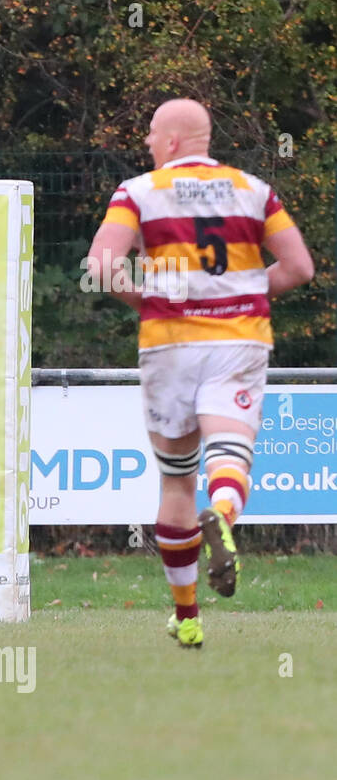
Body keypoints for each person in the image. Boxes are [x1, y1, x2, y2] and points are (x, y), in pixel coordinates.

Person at [86, 98, 313, 648]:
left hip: (170, 342)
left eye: (149, 135)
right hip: (237, 340)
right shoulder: (254, 189)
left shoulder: (137, 192)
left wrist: (146, 300)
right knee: (230, 452)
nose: (145, 144)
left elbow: (100, 266)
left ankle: (187, 617)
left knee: (176, 479)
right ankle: (226, 513)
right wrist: (246, 293)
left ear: (168, 142)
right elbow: (300, 267)